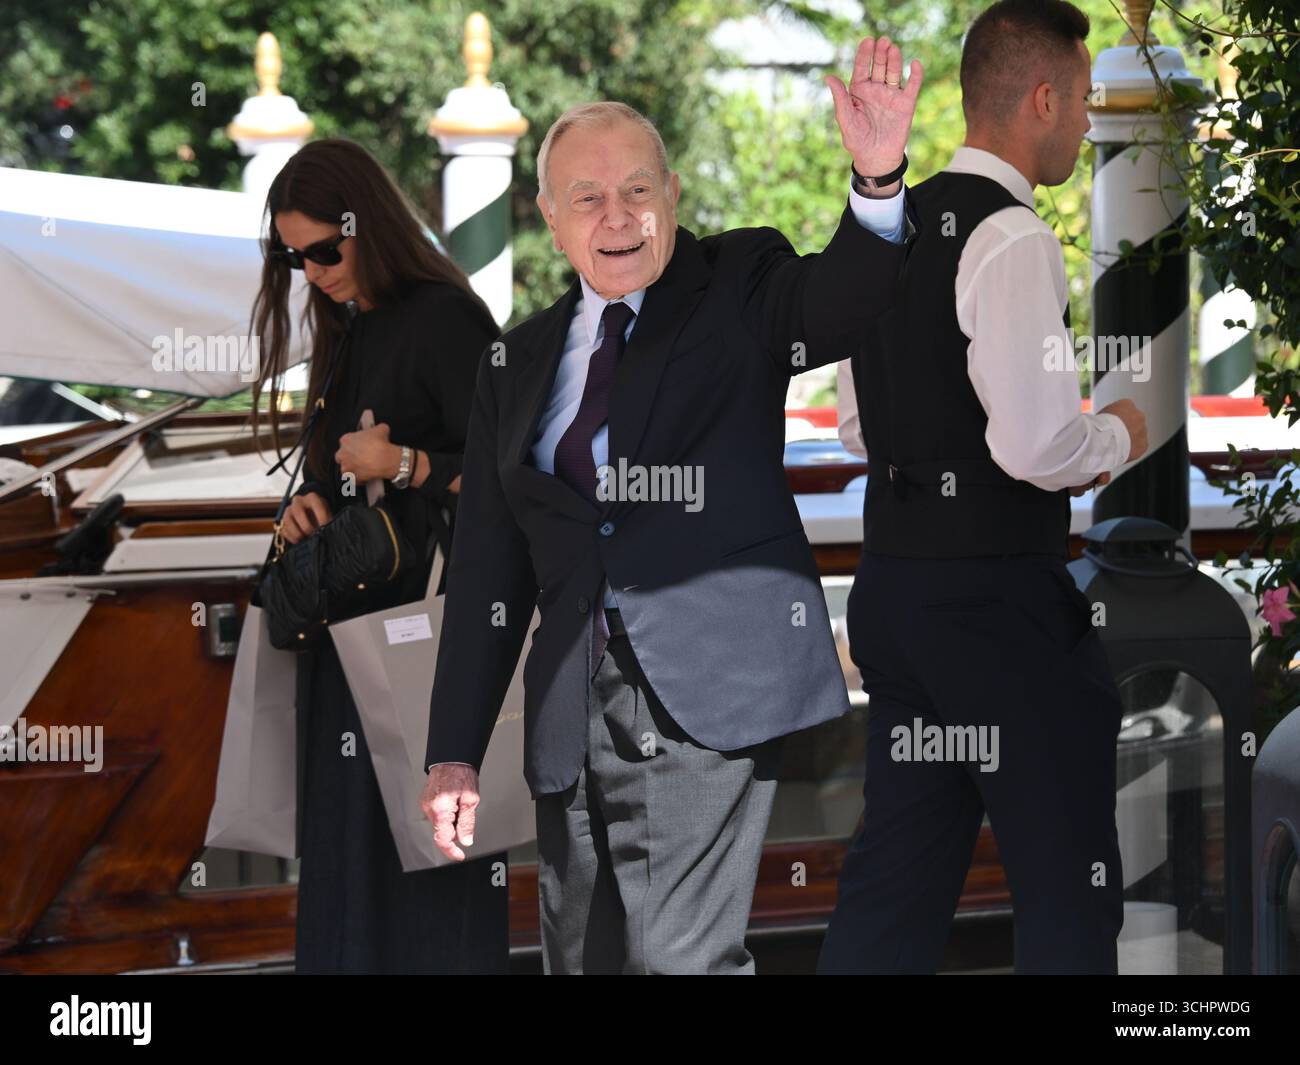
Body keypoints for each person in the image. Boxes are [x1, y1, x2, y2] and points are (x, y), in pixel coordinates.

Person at [420, 35, 924, 974]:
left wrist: (878, 178)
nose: (618, 217)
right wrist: (452, 750)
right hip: (569, 710)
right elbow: (490, 565)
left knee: (678, 959)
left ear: (674, 196)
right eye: (588, 198)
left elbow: (846, 298)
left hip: (706, 690)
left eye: (638, 190)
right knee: (588, 960)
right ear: (550, 218)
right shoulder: (516, 360)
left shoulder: (737, 286)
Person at [819, 0, 1149, 974]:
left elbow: (855, 426)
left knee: (896, 884)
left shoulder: (887, 223)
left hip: (896, 595)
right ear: (1041, 99)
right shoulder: (1010, 236)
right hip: (999, 611)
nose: (1083, 123)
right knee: (1067, 889)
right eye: (1081, 101)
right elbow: (1036, 446)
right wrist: (1119, 433)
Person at [248, 138, 507, 974]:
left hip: (427, 650)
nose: (312, 271)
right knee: (349, 872)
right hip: (352, 645)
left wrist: (403, 464)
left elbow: (512, 475)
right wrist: (309, 506)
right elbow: (340, 475)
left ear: (369, 227)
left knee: (428, 882)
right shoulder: (347, 326)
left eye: (325, 250)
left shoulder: (444, 317)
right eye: (294, 257)